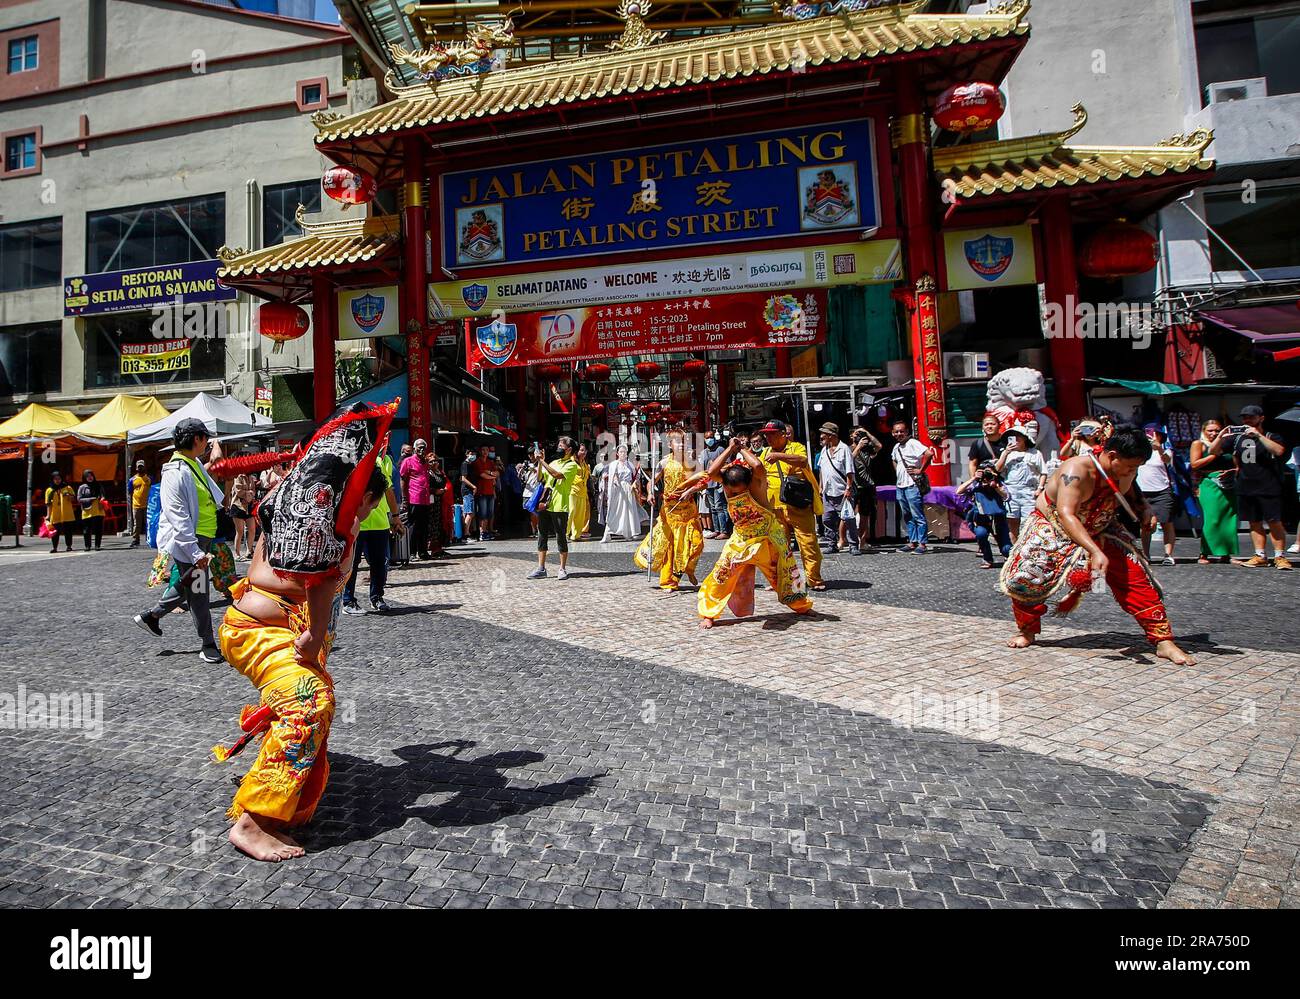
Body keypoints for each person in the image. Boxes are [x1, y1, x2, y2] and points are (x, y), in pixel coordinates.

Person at [212, 401, 395, 861]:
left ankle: (288, 801)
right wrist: (313, 637)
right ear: (366, 497)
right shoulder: (328, 514)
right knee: (309, 701)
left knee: (309, 701)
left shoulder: (296, 497)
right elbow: (321, 579)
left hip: (265, 626)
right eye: (372, 501)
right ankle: (254, 822)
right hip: (261, 630)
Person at [999, 425, 1196, 666]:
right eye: (1131, 467)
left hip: (1101, 524)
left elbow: (1132, 491)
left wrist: (1145, 509)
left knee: (1136, 577)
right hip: (1055, 525)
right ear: (1113, 456)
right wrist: (1093, 550)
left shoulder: (1123, 469)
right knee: (1026, 577)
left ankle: (1163, 641)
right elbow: (1066, 513)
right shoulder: (1076, 469)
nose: (1133, 472)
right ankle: (1027, 630)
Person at [132, 417, 225, 664]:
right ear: (196, 439)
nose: (206, 443)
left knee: (188, 585)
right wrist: (195, 552)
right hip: (191, 540)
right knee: (199, 591)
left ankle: (152, 616)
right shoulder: (176, 471)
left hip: (202, 538)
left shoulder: (192, 463)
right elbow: (178, 515)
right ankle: (208, 644)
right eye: (205, 438)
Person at [697, 436, 813, 627]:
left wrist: (741, 448)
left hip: (768, 538)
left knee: (786, 574)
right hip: (741, 538)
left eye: (738, 491)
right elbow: (711, 472)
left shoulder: (756, 483)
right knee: (722, 573)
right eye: (731, 492)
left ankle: (802, 605)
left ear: (749, 483)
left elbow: (758, 465)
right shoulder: (724, 480)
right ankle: (709, 613)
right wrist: (729, 448)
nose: (734, 495)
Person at [758, 419, 825, 589]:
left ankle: (814, 579)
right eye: (766, 435)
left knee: (808, 543)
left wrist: (779, 456)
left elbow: (802, 461)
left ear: (783, 434)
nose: (769, 439)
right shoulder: (764, 452)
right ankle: (783, 579)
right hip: (775, 508)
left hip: (798, 505)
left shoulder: (796, 447)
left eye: (772, 435)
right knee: (779, 547)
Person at [635, 428, 705, 590]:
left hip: (689, 511)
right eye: (678, 442)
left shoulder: (692, 461)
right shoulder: (664, 462)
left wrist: (691, 491)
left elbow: (704, 481)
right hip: (670, 511)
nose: (682, 445)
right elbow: (652, 480)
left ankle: (688, 568)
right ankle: (669, 580)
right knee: (671, 548)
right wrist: (650, 491)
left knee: (697, 543)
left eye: (684, 441)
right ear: (670, 444)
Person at [343, 435, 404, 615]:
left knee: (379, 563)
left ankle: (377, 597)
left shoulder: (381, 461)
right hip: (356, 523)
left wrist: (395, 516)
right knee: (351, 564)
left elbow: (389, 490)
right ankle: (348, 600)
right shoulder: (351, 461)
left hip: (379, 523)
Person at [1225, 405, 1292, 570]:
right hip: (1246, 485)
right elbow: (1233, 455)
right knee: (1253, 522)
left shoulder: (1271, 436)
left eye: (1251, 417)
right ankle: (1260, 554)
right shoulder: (1239, 439)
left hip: (1268, 485)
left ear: (1261, 418)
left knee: (1274, 521)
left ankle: (1280, 556)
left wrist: (1258, 435)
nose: (1247, 421)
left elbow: (1279, 451)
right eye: (1244, 418)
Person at [529, 436, 580, 580]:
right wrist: (540, 463)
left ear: (569, 450)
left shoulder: (572, 465)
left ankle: (562, 568)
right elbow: (540, 478)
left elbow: (556, 475)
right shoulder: (553, 462)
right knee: (542, 534)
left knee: (560, 536)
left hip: (560, 505)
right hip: (545, 504)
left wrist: (542, 461)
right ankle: (541, 567)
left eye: (561, 447)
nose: (558, 449)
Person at [1189, 419, 1237, 564]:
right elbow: (1194, 464)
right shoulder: (1199, 444)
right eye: (1210, 430)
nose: (1213, 433)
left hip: (1228, 482)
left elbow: (1235, 462)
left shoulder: (1226, 444)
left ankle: (1226, 553)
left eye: (1217, 430)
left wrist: (1233, 470)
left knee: (1229, 519)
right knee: (1212, 519)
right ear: (1204, 431)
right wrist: (1214, 455)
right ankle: (1204, 553)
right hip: (1209, 482)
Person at [1135, 424, 1178, 565]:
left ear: (1160, 435)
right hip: (1143, 491)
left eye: (1155, 433)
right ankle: (1146, 555)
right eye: (1148, 432)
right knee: (1146, 525)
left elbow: (1167, 460)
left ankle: (1168, 555)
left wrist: (1159, 448)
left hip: (1162, 490)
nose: (1151, 435)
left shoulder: (1167, 450)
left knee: (1166, 522)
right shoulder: (1139, 450)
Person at [958, 461, 1012, 569]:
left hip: (998, 519)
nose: (987, 475)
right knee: (981, 534)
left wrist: (996, 486)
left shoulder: (999, 483)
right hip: (981, 518)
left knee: (1006, 548)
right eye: (985, 472)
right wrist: (974, 478)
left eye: (989, 472)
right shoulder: (976, 485)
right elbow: (959, 491)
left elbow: (1007, 497)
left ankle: (1008, 556)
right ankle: (987, 558)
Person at [996, 424, 1045, 541]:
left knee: (1029, 521)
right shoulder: (1007, 453)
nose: (1016, 439)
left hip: (1029, 490)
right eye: (1012, 437)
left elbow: (1043, 472)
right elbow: (997, 469)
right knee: (1012, 522)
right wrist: (1006, 453)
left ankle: (1027, 547)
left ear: (1025, 438)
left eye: (1018, 436)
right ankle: (1014, 550)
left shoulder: (1035, 453)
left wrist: (1040, 488)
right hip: (1011, 491)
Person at [817, 422, 860, 555]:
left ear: (831, 435)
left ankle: (853, 544)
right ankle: (832, 543)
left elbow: (850, 471)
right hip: (828, 491)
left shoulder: (844, 449)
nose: (821, 436)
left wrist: (848, 487)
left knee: (848, 518)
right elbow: (821, 469)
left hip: (842, 491)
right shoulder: (824, 450)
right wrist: (820, 485)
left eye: (824, 433)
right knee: (827, 519)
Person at [890, 420, 932, 555]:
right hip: (901, 485)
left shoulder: (912, 443)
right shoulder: (896, 447)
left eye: (901, 431)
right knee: (907, 515)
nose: (899, 434)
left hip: (912, 485)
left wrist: (920, 470)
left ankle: (922, 543)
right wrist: (898, 471)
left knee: (917, 515)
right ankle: (912, 541)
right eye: (896, 431)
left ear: (907, 432)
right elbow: (894, 459)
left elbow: (928, 454)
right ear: (892, 433)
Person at [601, 443, 647, 541]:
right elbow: (611, 477)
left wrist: (634, 483)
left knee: (628, 511)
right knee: (614, 511)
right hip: (618, 490)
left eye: (625, 452)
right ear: (617, 453)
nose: (623, 454)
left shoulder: (629, 464)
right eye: (621, 452)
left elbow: (636, 475)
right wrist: (614, 482)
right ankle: (608, 533)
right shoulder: (614, 464)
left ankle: (628, 533)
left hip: (628, 489)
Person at [400, 439, 434, 559]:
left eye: (423, 447)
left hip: (425, 499)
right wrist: (404, 498)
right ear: (414, 449)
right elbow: (403, 480)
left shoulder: (425, 462)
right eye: (419, 447)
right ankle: (412, 552)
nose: (421, 450)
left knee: (424, 526)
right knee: (413, 526)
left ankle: (423, 551)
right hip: (414, 498)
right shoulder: (408, 461)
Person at [700, 431, 731, 539]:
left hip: (718, 482)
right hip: (708, 484)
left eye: (711, 437)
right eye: (707, 438)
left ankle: (724, 531)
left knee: (719, 507)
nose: (709, 439)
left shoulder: (720, 450)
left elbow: (728, 464)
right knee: (712, 508)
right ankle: (716, 530)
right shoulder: (703, 452)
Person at [45, 471, 77, 553]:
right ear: (52, 480)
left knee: (68, 531)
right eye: (55, 479)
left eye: (59, 479)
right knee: (55, 532)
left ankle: (69, 546)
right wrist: (48, 515)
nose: (57, 480)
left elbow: (73, 499)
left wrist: (68, 495)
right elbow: (48, 504)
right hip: (55, 514)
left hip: (67, 513)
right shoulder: (49, 490)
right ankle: (55, 547)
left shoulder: (67, 488)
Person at [474, 445, 501, 540]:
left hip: (490, 491)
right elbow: (482, 475)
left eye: (487, 450)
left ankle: (486, 531)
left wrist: (489, 473)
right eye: (483, 450)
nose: (485, 452)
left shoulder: (490, 462)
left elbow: (497, 473)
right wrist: (493, 476)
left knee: (489, 513)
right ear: (480, 451)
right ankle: (482, 532)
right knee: (483, 513)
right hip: (482, 491)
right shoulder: (477, 462)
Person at [967, 414, 1006, 481]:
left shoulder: (1006, 442)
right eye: (986, 424)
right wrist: (973, 480)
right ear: (982, 428)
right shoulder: (977, 444)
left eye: (993, 424)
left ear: (999, 426)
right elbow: (973, 464)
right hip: (984, 481)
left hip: (1005, 480)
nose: (989, 426)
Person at [567, 444, 593, 541]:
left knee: (580, 515)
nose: (584, 452)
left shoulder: (584, 464)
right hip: (572, 491)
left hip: (583, 492)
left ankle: (576, 535)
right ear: (576, 451)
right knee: (571, 512)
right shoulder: (570, 462)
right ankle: (565, 533)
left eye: (585, 451)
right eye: (582, 450)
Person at [76, 470, 106, 551]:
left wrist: (102, 498)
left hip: (98, 510)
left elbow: (103, 495)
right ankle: (87, 546)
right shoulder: (82, 487)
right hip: (87, 510)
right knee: (87, 530)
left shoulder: (98, 485)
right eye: (87, 476)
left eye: (91, 475)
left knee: (98, 529)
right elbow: (79, 499)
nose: (90, 477)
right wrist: (90, 499)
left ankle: (97, 545)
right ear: (85, 477)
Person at [229, 473, 258, 560]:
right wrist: (248, 493)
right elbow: (238, 491)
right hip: (238, 506)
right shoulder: (238, 477)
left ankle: (249, 551)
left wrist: (250, 493)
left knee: (252, 529)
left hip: (249, 506)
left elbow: (254, 490)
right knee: (240, 531)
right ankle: (237, 554)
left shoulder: (251, 477)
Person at [519, 448, 542, 538]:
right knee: (530, 512)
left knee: (536, 512)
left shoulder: (541, 464)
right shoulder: (527, 465)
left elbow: (541, 476)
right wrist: (521, 471)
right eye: (529, 454)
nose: (531, 456)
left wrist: (534, 470)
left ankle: (539, 530)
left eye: (532, 454)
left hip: (536, 492)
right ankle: (534, 531)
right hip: (527, 492)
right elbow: (521, 478)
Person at [459, 447, 480, 541]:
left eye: (474, 453)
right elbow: (463, 478)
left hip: (469, 491)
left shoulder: (471, 464)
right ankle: (466, 534)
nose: (473, 455)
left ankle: (467, 532)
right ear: (467, 454)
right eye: (471, 453)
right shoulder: (465, 464)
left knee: (467, 512)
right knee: (470, 512)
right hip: (467, 491)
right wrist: (473, 486)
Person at [129, 460, 151, 549]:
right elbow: (130, 491)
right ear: (136, 468)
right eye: (139, 467)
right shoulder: (132, 480)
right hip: (136, 505)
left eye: (141, 466)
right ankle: (135, 540)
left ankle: (149, 539)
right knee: (137, 524)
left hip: (148, 505)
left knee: (148, 523)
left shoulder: (149, 479)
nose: (140, 468)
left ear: (144, 467)